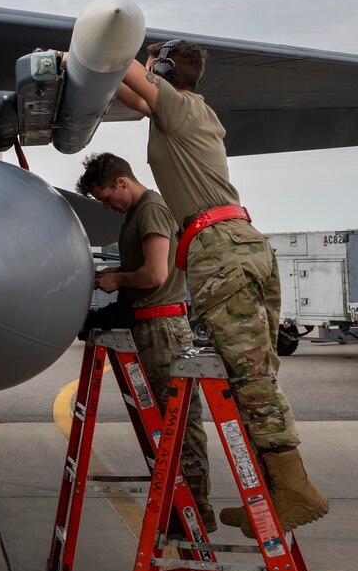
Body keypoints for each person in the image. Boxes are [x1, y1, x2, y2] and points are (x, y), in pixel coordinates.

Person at [112, 39, 328, 536]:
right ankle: (277, 491)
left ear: (162, 71)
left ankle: (296, 489)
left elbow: (130, 74)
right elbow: (131, 93)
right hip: (237, 241)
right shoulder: (185, 112)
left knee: (250, 376)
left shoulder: (179, 108)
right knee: (250, 370)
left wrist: (81, 52)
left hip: (219, 248)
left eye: (152, 68)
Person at [77, 152, 215, 532]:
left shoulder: (151, 210)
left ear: (122, 182)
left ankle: (194, 518)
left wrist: (118, 281)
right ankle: (180, 512)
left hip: (162, 331)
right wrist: (117, 272)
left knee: (179, 426)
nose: (107, 206)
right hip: (151, 327)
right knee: (168, 426)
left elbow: (155, 273)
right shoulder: (138, 214)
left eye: (107, 197)